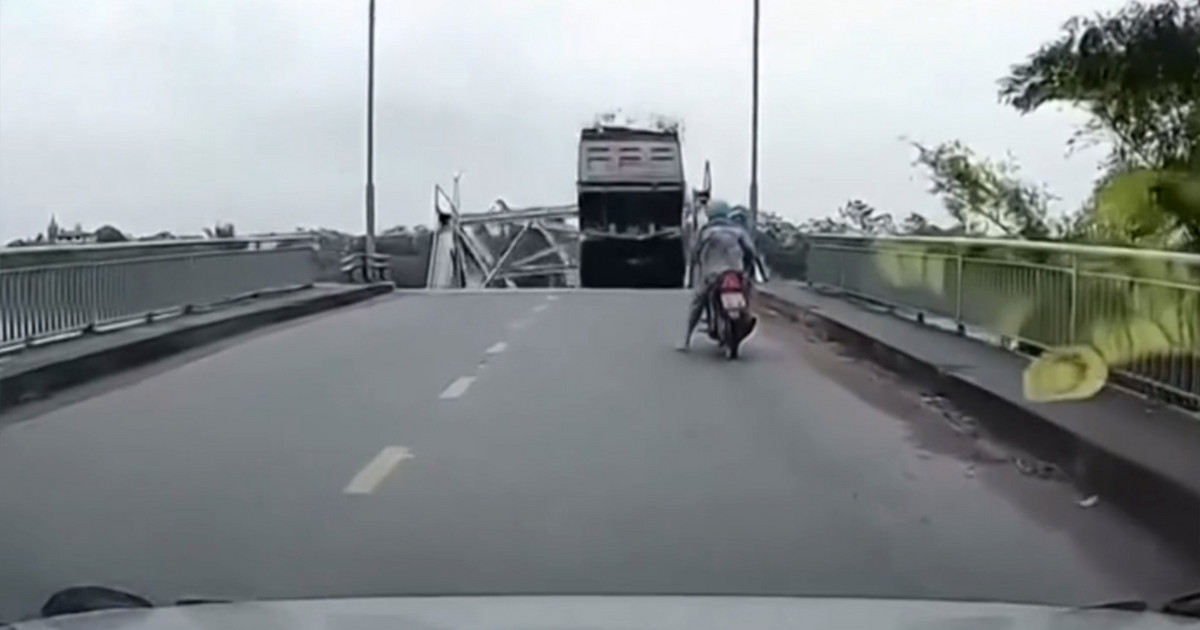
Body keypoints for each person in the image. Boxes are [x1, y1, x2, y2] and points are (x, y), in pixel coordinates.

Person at [680, 206, 763, 350]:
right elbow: (753, 253)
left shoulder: (706, 232)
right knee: (748, 294)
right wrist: (760, 273)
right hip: (737, 273)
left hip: (713, 275)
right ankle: (746, 315)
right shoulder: (739, 232)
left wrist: (689, 276)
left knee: (698, 302)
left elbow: (694, 254)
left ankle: (686, 339)